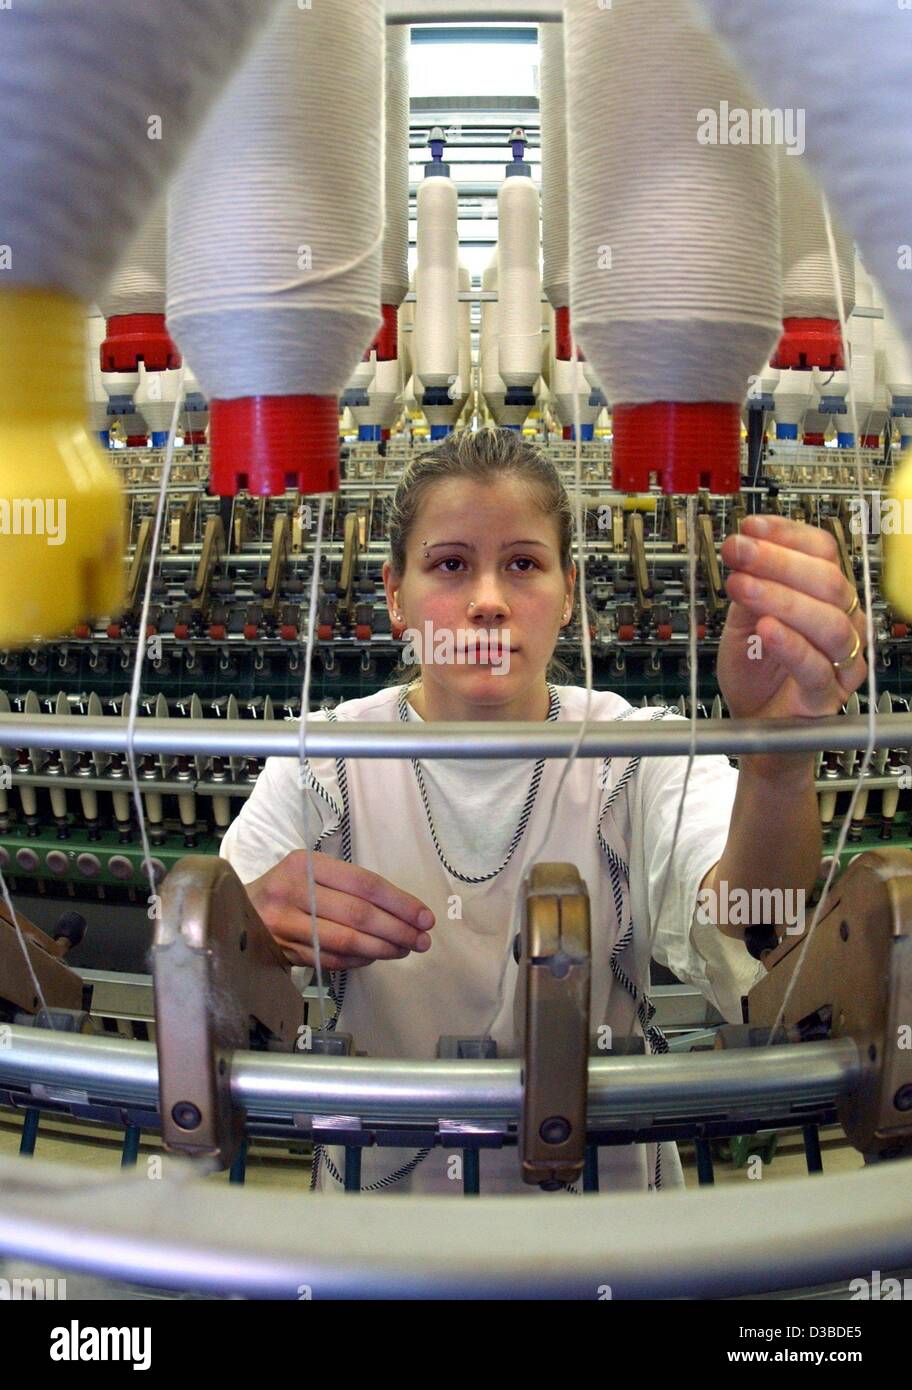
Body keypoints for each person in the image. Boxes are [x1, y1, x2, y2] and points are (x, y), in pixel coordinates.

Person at [219, 427, 867, 1194]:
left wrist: (779, 766)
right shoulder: (324, 758)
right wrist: (252, 925)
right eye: (451, 565)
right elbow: (214, 975)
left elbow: (759, 921)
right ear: (396, 595)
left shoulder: (632, 754)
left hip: (603, 1212)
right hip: (385, 1212)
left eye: (523, 564)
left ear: (568, 597)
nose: (488, 602)